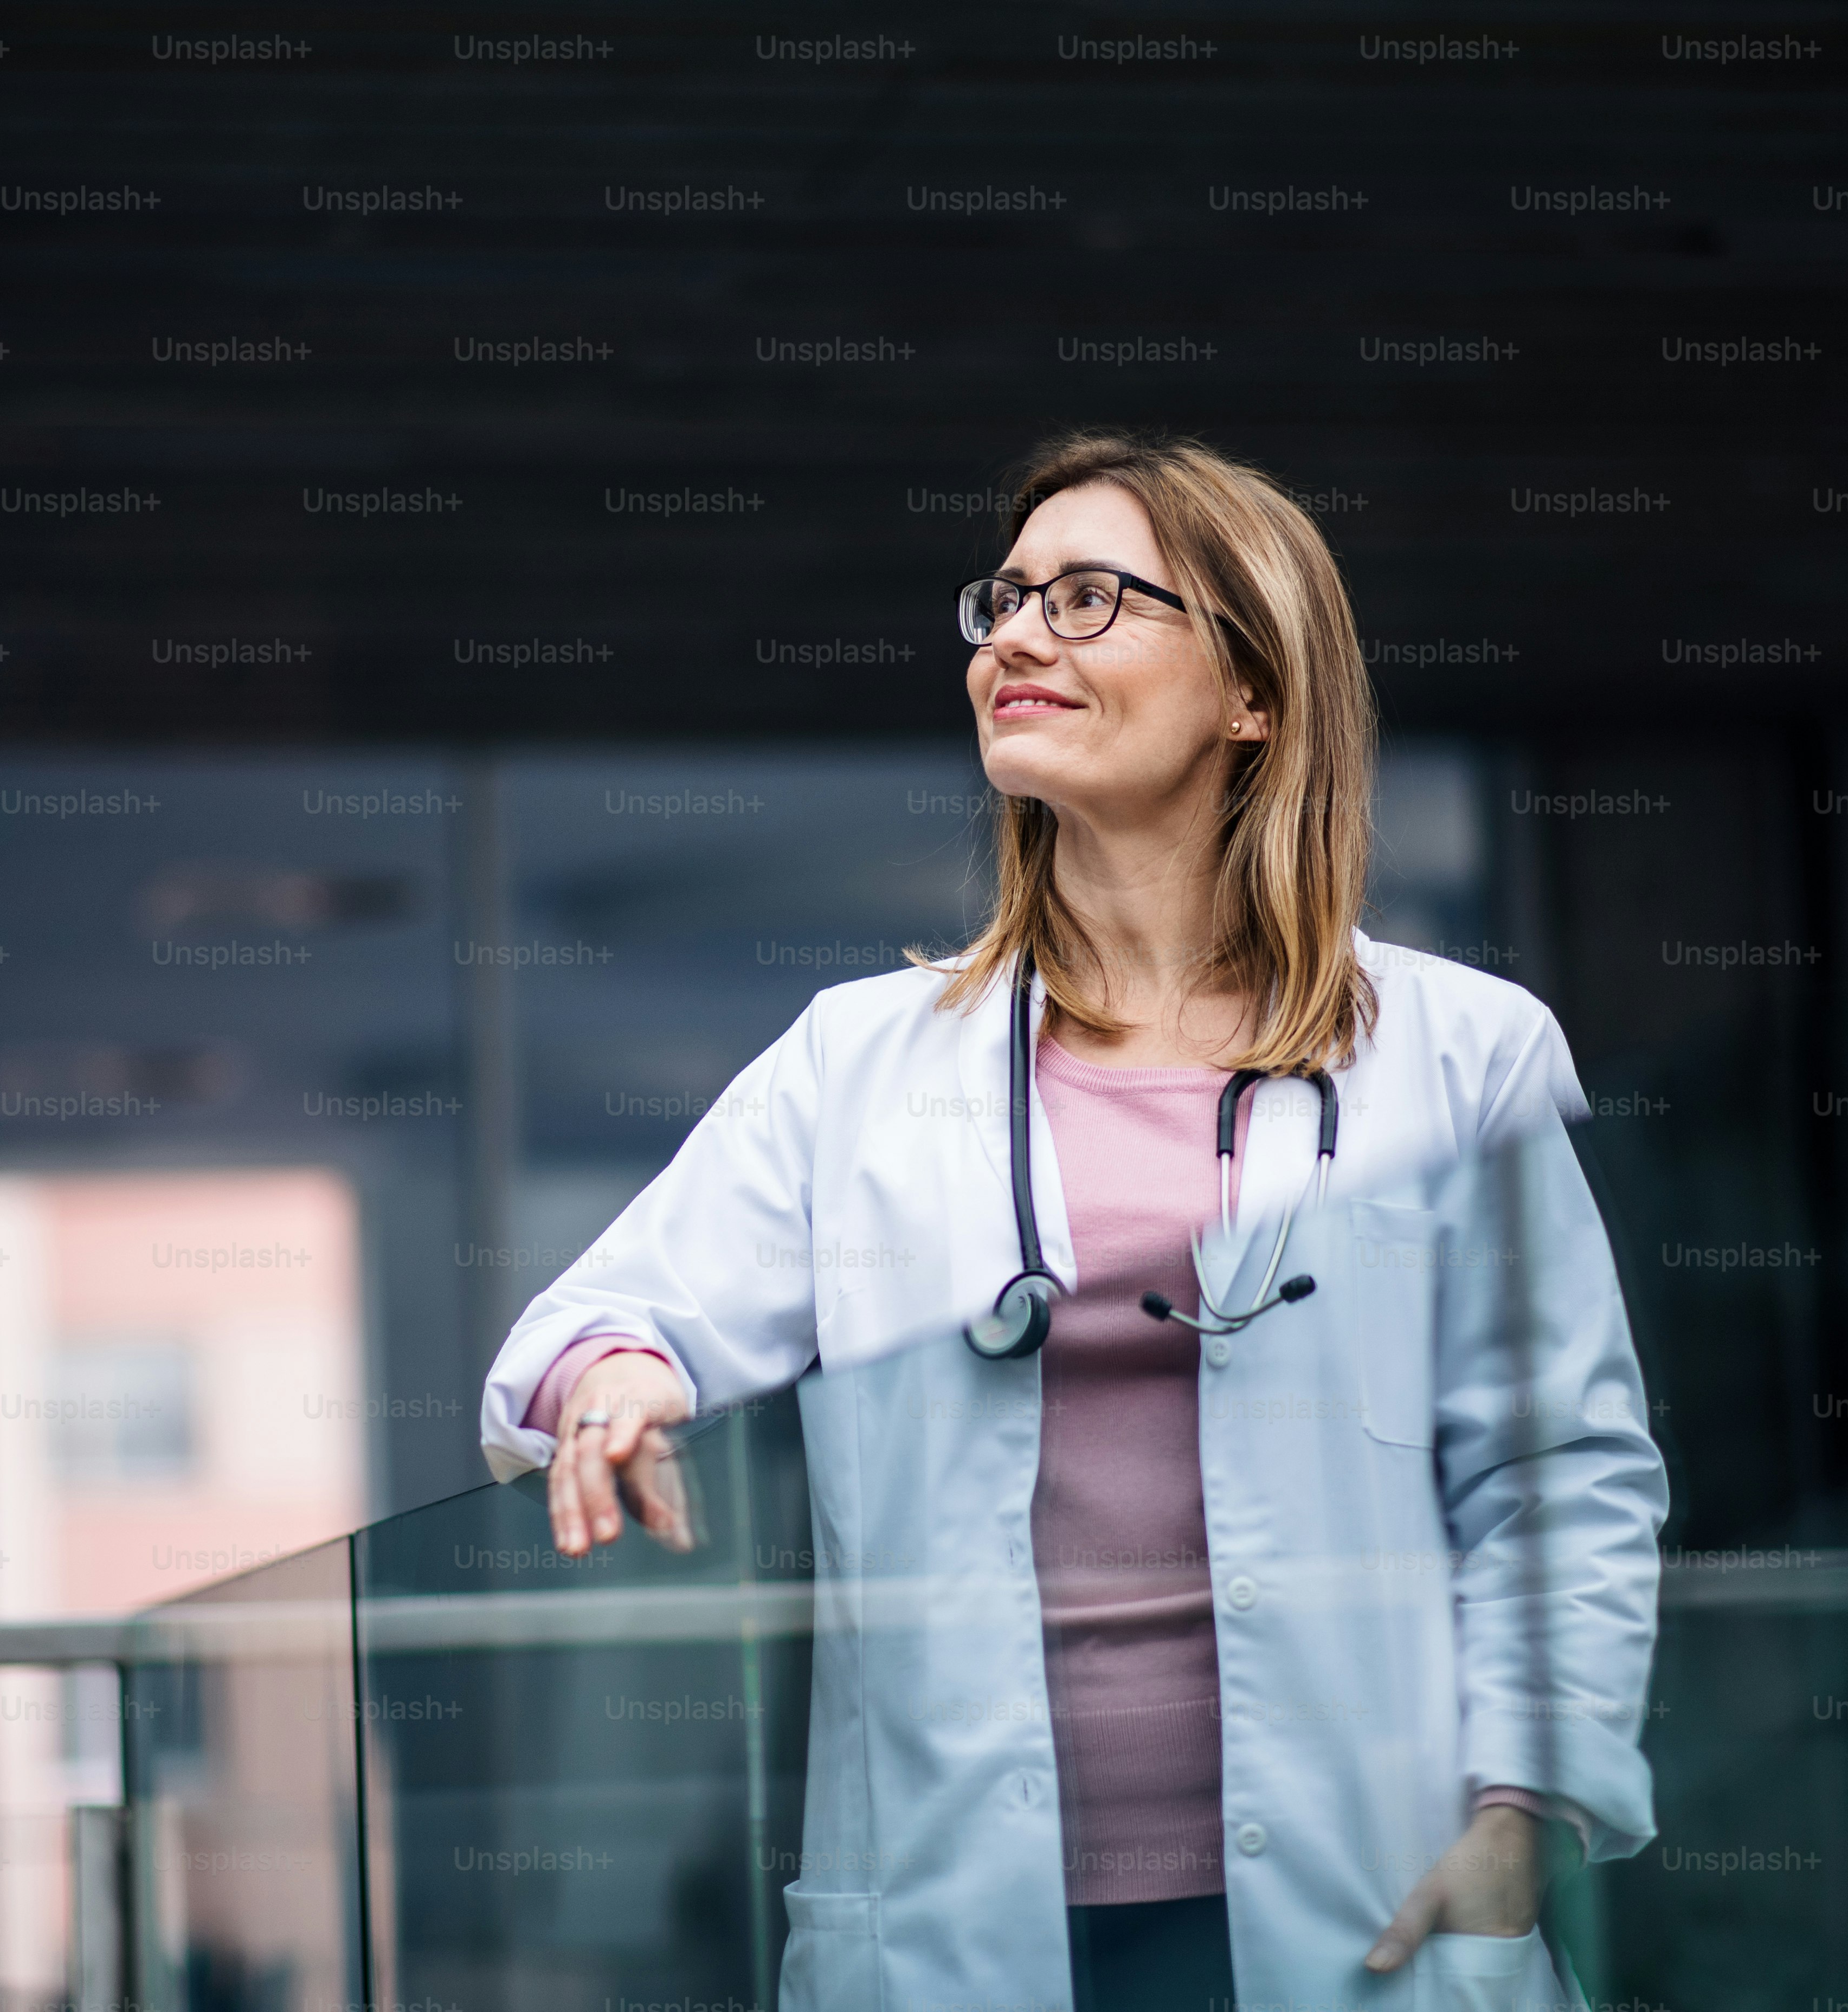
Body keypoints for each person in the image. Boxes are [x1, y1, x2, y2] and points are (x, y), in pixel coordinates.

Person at [478, 430, 1666, 2011]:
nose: (1017, 638)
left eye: (1093, 598)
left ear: (1253, 690)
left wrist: (1531, 1816)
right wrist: (615, 1375)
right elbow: (580, 1332)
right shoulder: (861, 1064)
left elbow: (1560, 1477)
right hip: (967, 1926)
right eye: (1008, 597)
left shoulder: (1462, 1054)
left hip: (1369, 1908)